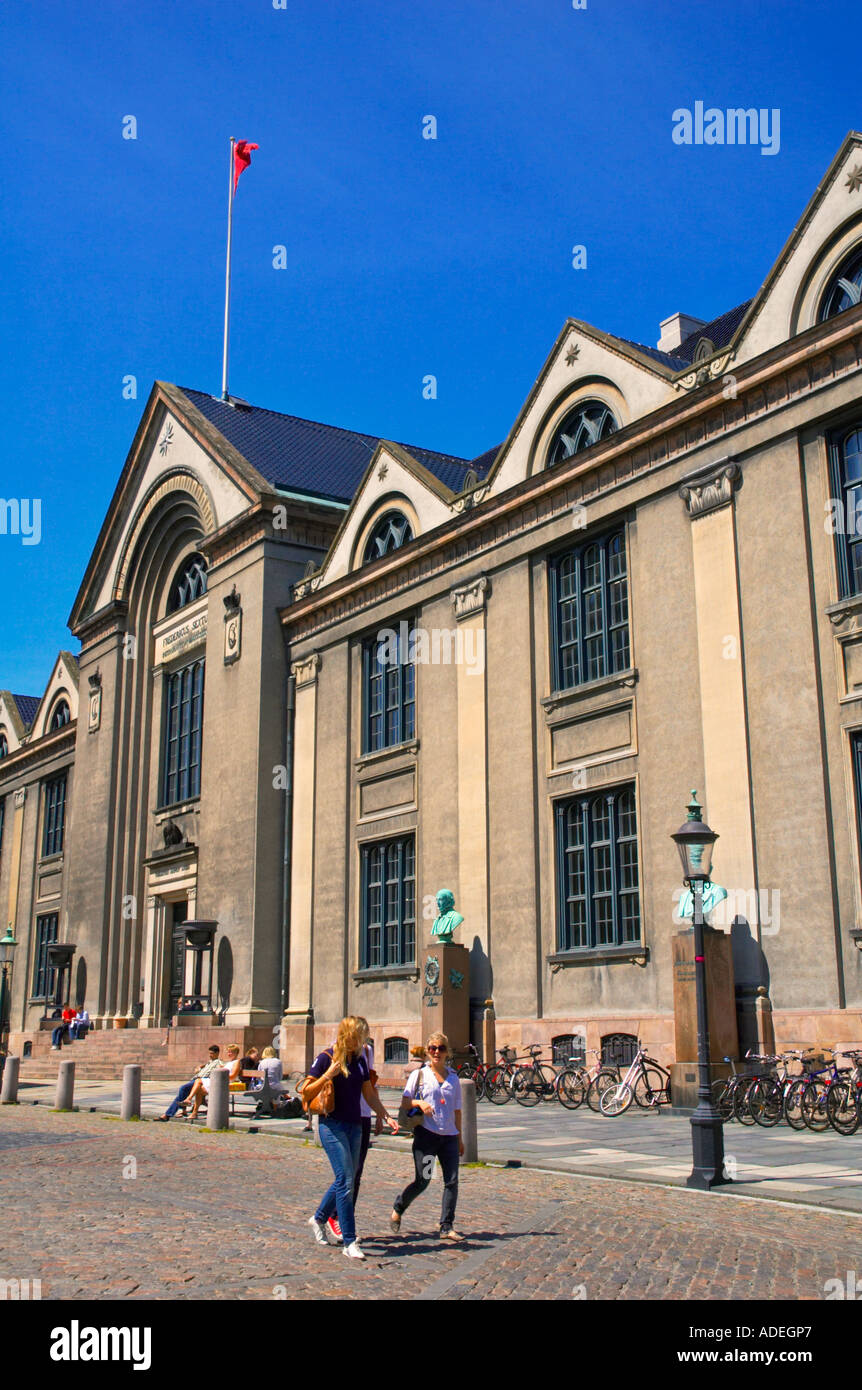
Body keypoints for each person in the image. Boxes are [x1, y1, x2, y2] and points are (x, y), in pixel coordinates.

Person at [305, 1016, 399, 1261]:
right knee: (346, 1180)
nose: (366, 1038)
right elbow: (305, 1091)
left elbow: (368, 1091)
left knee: (345, 1177)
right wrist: (328, 1075)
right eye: (362, 1033)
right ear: (350, 1034)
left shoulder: (359, 1059)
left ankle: (318, 1218)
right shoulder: (327, 1056)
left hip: (355, 1125)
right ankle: (349, 1241)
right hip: (331, 1125)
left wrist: (385, 1115)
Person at [391, 1031, 465, 1241]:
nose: (436, 1052)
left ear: (447, 1052)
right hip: (427, 1136)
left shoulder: (453, 1078)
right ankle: (399, 1205)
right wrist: (419, 1103)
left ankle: (446, 1226)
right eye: (432, 1048)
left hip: (449, 1136)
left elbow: (457, 1110)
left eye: (441, 1048)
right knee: (423, 1180)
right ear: (427, 1051)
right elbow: (406, 1102)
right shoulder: (420, 1075)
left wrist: (460, 1138)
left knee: (452, 1181)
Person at [324, 1017, 376, 1244]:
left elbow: (369, 1085)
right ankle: (341, 1224)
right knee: (346, 1176)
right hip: (340, 1120)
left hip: (362, 1116)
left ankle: (324, 1217)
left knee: (355, 1174)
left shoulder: (367, 1053)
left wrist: (380, 1115)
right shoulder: (334, 1052)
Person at [155, 1045, 221, 1121]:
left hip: (202, 1081)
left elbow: (220, 1069)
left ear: (217, 1053)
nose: (210, 1055)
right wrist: (200, 1067)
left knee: (183, 1088)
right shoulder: (209, 1062)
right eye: (209, 1053)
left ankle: (174, 1112)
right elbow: (203, 1067)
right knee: (182, 1092)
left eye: (212, 1053)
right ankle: (176, 1112)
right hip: (196, 1079)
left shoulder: (218, 1062)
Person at [187, 1043, 243, 1118]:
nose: (229, 1054)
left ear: (236, 1053)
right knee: (199, 1086)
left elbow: (233, 1076)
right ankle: (193, 1110)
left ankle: (190, 1102)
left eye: (231, 1052)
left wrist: (221, 1076)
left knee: (199, 1083)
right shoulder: (229, 1062)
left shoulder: (237, 1062)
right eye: (228, 1052)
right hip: (220, 1080)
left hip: (226, 1082)